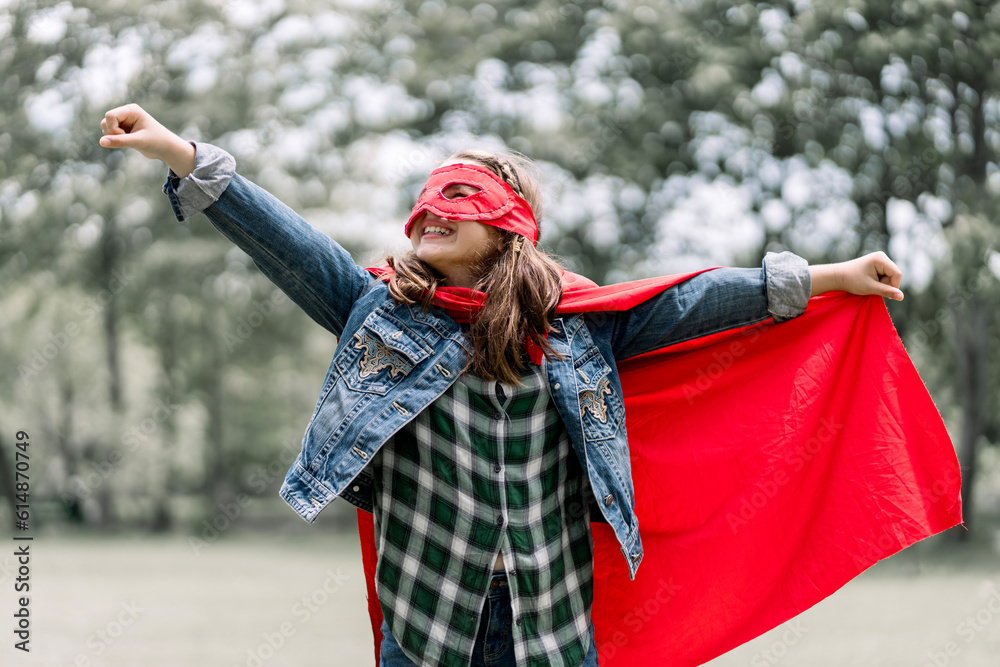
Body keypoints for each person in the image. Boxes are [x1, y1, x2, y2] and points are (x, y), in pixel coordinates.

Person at [99, 103, 906, 667]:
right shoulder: (380, 312)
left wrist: (834, 275)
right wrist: (182, 154)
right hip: (427, 629)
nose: (428, 214)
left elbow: (693, 298)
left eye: (457, 200)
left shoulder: (583, 326)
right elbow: (289, 243)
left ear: (509, 225)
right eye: (424, 206)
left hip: (551, 635)